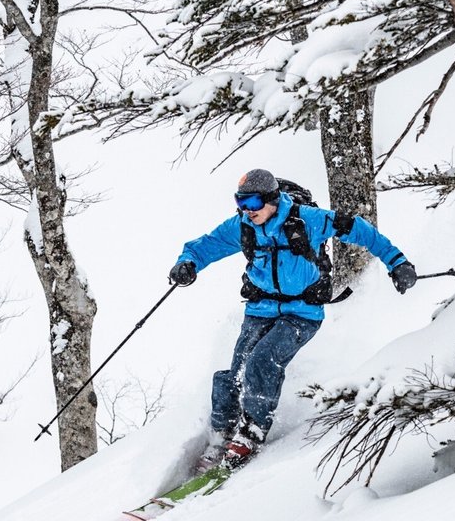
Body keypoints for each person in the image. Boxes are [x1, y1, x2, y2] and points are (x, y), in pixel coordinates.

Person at [170, 168, 417, 472]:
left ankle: (252, 431)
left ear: (272, 199)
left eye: (254, 203)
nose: (247, 210)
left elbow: (360, 230)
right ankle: (220, 435)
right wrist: (187, 264)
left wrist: (397, 263)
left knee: (262, 361)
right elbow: (205, 245)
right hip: (260, 308)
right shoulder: (244, 225)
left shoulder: (308, 220)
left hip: (302, 312)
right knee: (235, 372)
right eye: (241, 202)